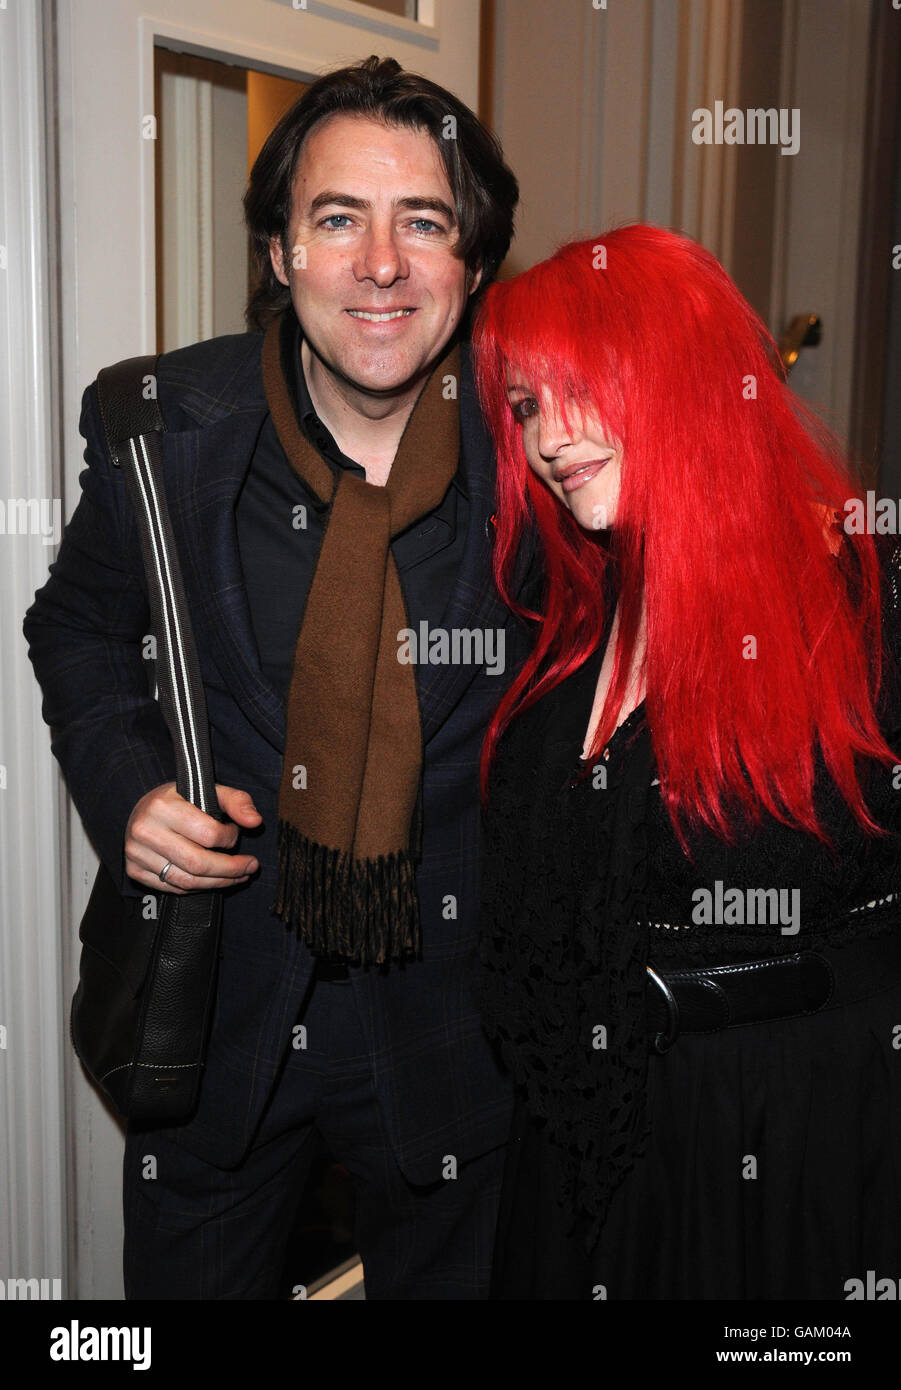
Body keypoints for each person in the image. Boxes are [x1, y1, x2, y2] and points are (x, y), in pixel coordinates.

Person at [23, 56, 538, 1300]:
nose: (380, 265)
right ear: (278, 252)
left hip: (457, 1008)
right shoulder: (162, 427)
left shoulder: (541, 450)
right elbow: (77, 626)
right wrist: (132, 791)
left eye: (423, 222)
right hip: (224, 1001)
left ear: (470, 262)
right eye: (336, 218)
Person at [470, 223, 901, 1300]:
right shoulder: (575, 616)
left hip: (791, 1155)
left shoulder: (862, 597)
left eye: (583, 387)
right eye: (526, 405)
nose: (549, 437)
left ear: (690, 375)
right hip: (595, 1142)